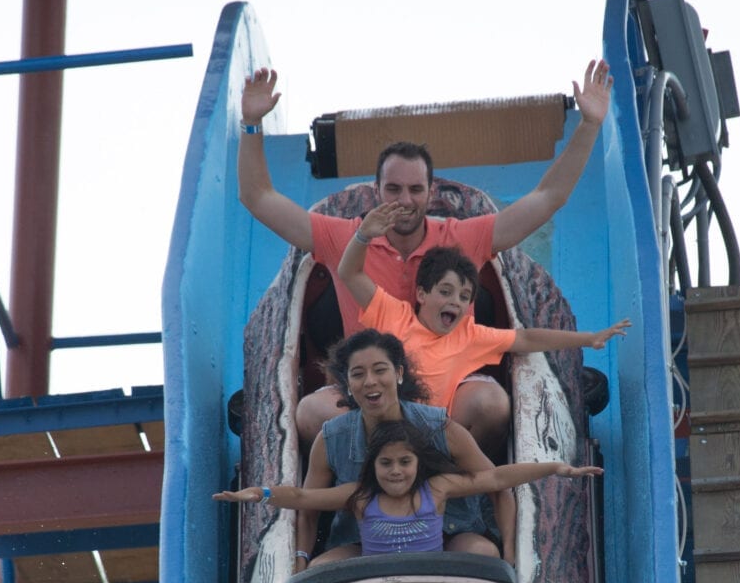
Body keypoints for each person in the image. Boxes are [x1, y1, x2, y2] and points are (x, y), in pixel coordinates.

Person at [236, 59, 613, 443]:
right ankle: (364, 484)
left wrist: (588, 125)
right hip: (369, 398)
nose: (405, 200)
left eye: (416, 190)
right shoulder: (345, 237)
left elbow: (548, 198)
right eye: (394, 189)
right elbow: (258, 198)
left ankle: (461, 483)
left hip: (447, 397)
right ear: (377, 191)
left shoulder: (462, 238)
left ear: (431, 192)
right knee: (310, 413)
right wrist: (251, 124)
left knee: (492, 404)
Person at [336, 217, 629, 444]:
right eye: (446, 291)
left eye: (464, 297)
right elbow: (349, 272)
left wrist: (588, 339)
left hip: (430, 440)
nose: (455, 301)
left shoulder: (469, 334)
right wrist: (363, 234)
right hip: (381, 432)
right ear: (422, 294)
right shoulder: (393, 314)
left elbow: (526, 338)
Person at [216, 421, 601, 558]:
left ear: (418, 464)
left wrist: (556, 467)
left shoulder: (439, 488)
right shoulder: (361, 497)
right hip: (376, 582)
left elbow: (496, 478)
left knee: (482, 558)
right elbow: (301, 498)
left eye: (404, 462)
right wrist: (260, 494)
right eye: (386, 463)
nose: (396, 472)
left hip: (426, 577)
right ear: (373, 467)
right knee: (318, 570)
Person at [297, 327, 510, 570]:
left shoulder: (439, 427)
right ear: (346, 383)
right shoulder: (331, 438)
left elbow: (498, 486)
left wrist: (512, 556)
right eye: (358, 374)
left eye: (380, 370)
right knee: (320, 569)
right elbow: (307, 508)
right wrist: (299, 559)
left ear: (398, 373)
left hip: (445, 534)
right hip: (366, 542)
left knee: (483, 554)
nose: (370, 381)